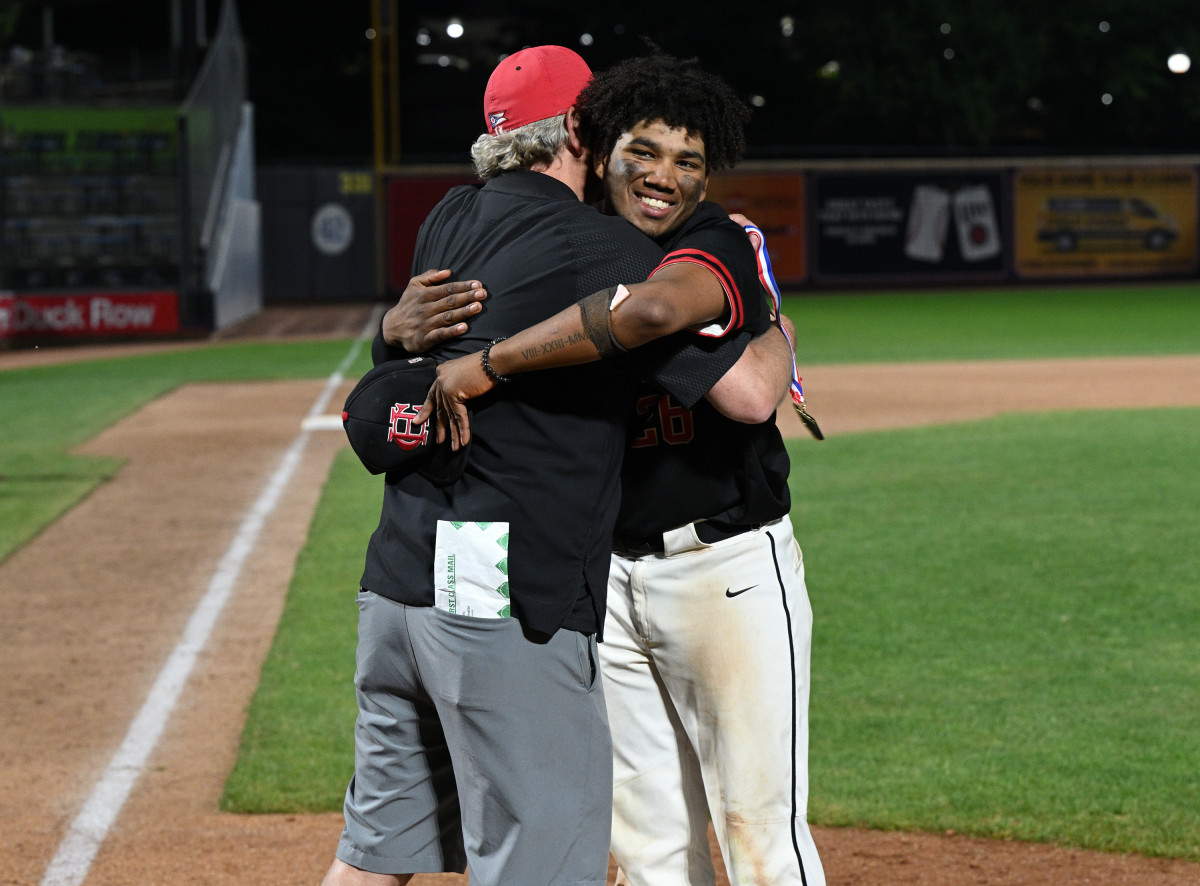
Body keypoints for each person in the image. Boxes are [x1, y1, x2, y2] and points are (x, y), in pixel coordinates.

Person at [321, 46, 767, 886]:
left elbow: (422, 342)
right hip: (499, 594)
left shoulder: (450, 214)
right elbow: (746, 394)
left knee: (375, 858)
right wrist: (769, 312)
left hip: (399, 583)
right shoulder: (597, 246)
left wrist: (387, 330)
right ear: (576, 130)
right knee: (543, 863)